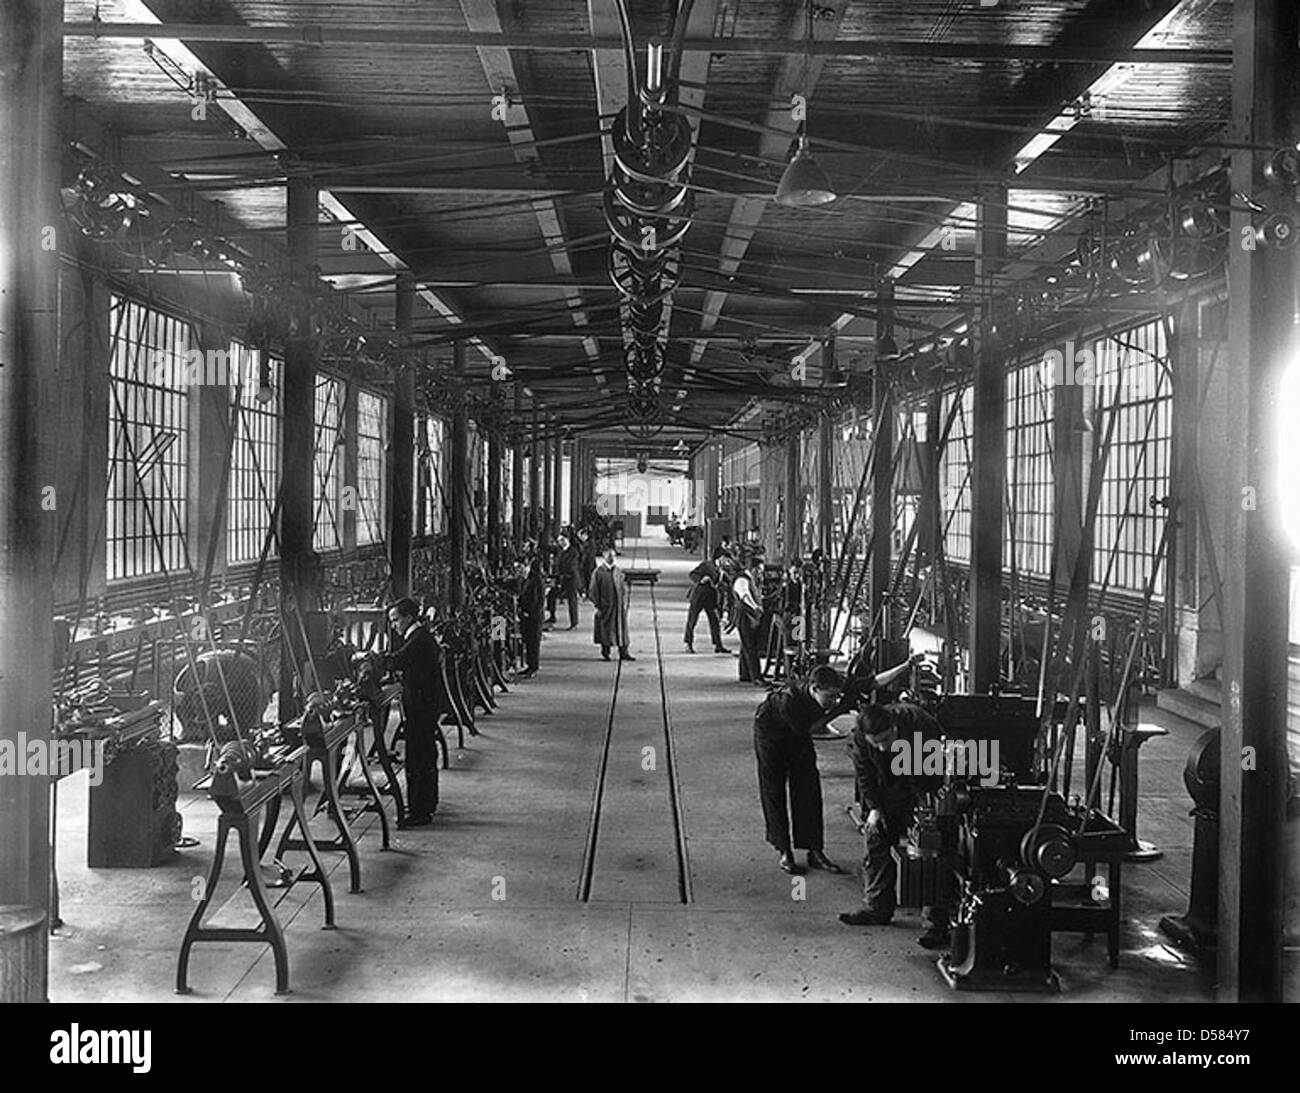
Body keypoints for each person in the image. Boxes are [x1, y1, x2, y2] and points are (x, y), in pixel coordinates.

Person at [839, 701, 952, 950]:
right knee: (876, 838)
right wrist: (875, 808)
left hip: (921, 784)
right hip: (887, 787)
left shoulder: (921, 725)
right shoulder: (860, 737)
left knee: (932, 851)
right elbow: (864, 774)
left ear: (895, 727)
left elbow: (932, 774)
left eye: (887, 739)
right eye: (875, 742)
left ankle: (936, 923)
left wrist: (927, 810)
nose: (882, 746)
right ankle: (877, 908)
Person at [753, 664, 847, 876]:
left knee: (809, 791)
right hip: (771, 736)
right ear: (814, 688)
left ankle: (815, 851)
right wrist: (840, 711)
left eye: (837, 697)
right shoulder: (789, 700)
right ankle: (784, 850)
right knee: (774, 791)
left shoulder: (829, 684)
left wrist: (907, 665)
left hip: (798, 738)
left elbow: (872, 682)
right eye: (830, 697)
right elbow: (810, 729)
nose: (834, 701)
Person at [384, 597, 442, 827]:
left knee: (418, 759)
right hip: (424, 706)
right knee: (424, 756)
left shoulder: (418, 640)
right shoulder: (420, 637)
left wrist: (371, 660)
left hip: (421, 709)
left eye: (396, 620)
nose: (394, 626)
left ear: (408, 618)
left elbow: (399, 660)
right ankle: (425, 804)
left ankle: (420, 812)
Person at [590, 545, 634, 662]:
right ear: (604, 557)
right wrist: (598, 605)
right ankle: (605, 652)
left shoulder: (618, 571)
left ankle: (623, 652)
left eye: (613, 556)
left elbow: (623, 588)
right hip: (606, 606)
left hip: (618, 606)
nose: (612, 558)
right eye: (609, 556)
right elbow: (593, 591)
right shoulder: (598, 573)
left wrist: (622, 601)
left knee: (621, 630)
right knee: (606, 631)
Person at [684, 557, 728, 654]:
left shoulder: (723, 571)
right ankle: (688, 643)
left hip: (711, 599)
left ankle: (718, 645)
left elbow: (726, 583)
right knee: (692, 620)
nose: (726, 562)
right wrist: (701, 579)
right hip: (698, 597)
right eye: (724, 559)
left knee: (714, 621)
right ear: (719, 558)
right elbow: (692, 574)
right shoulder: (707, 565)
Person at [733, 560, 765, 684]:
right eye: (760, 571)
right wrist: (755, 607)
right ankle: (756, 677)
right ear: (753, 569)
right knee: (751, 647)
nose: (761, 574)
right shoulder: (742, 580)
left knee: (745, 646)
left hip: (750, 616)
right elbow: (744, 596)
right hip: (745, 616)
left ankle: (744, 674)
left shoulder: (751, 580)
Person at [517, 555, 545, 678]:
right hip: (526, 616)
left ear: (526, 566)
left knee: (533, 642)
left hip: (534, 616)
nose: (518, 570)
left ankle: (533, 667)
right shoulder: (525, 579)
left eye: (519, 567)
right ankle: (529, 665)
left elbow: (539, 600)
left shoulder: (536, 579)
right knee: (528, 641)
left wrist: (531, 613)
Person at [546, 533, 581, 629]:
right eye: (559, 541)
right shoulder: (560, 551)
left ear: (567, 539)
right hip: (562, 580)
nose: (560, 542)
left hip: (571, 580)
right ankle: (552, 617)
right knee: (551, 595)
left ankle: (574, 623)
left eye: (562, 540)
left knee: (572, 601)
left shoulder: (573, 552)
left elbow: (572, 566)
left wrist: (563, 574)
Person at [576, 527, 597, 598]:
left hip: (588, 565)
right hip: (588, 564)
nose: (580, 539)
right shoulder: (588, 543)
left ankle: (590, 593)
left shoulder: (589, 544)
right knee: (587, 579)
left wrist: (582, 563)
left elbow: (587, 555)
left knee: (588, 579)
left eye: (581, 537)